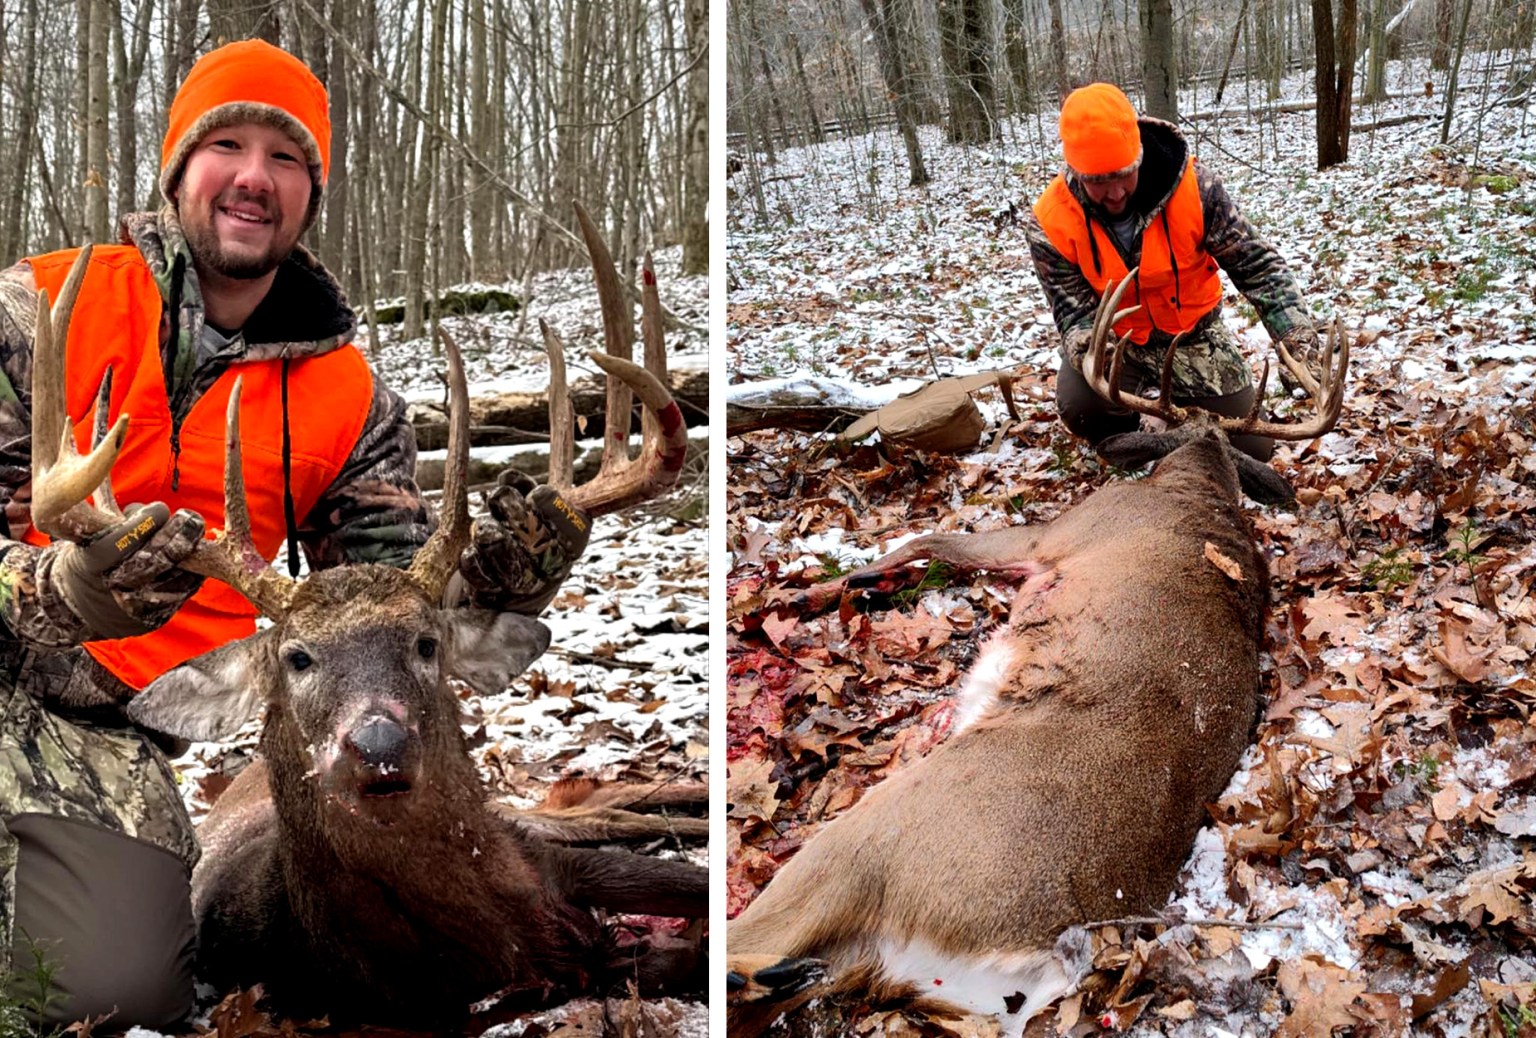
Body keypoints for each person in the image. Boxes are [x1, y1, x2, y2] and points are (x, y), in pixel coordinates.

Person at [0, 40, 587, 1029]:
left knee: (108, 992)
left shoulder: (349, 401)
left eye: (287, 157)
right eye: (225, 144)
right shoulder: (38, 312)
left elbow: (389, 605)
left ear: (313, 191)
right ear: (178, 170)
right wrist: (50, 593)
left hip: (97, 726)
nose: (253, 178)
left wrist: (505, 579)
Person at [1024, 82, 1324, 461]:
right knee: (1084, 405)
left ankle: (1179, 431)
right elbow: (1073, 312)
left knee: (1252, 448)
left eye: (1124, 174)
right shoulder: (1052, 222)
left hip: (1194, 335)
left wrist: (1295, 336)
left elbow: (1257, 266)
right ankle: (1136, 446)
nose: (1115, 193)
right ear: (1075, 170)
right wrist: (1090, 351)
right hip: (1120, 343)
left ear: (1140, 154)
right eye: (1098, 182)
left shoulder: (1196, 190)